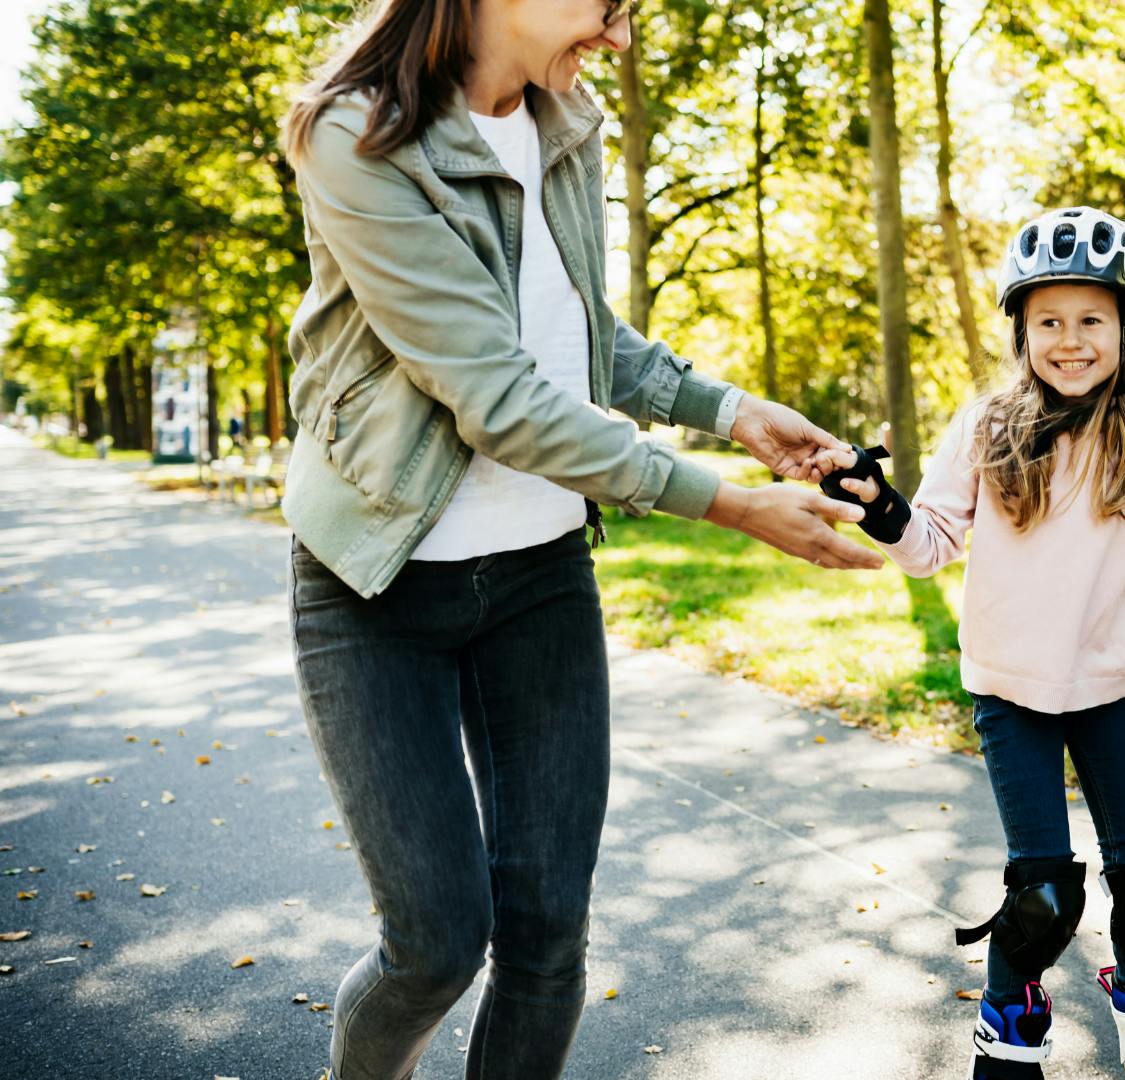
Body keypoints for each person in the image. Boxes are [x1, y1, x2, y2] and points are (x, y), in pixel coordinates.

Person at [276, 1, 881, 1077]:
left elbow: (578, 332)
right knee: (434, 947)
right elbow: (495, 394)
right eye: (607, 8)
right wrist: (728, 502)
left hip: (540, 578)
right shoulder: (355, 136)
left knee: (549, 940)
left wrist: (732, 410)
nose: (618, 38)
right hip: (378, 584)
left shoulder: (562, 123)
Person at [820, 207, 1125, 1080]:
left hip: (1111, 692)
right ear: (1021, 329)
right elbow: (931, 542)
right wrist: (881, 503)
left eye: (1091, 319)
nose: (1070, 340)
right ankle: (1008, 1046)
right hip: (1011, 694)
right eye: (1048, 321)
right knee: (1043, 898)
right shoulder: (988, 424)